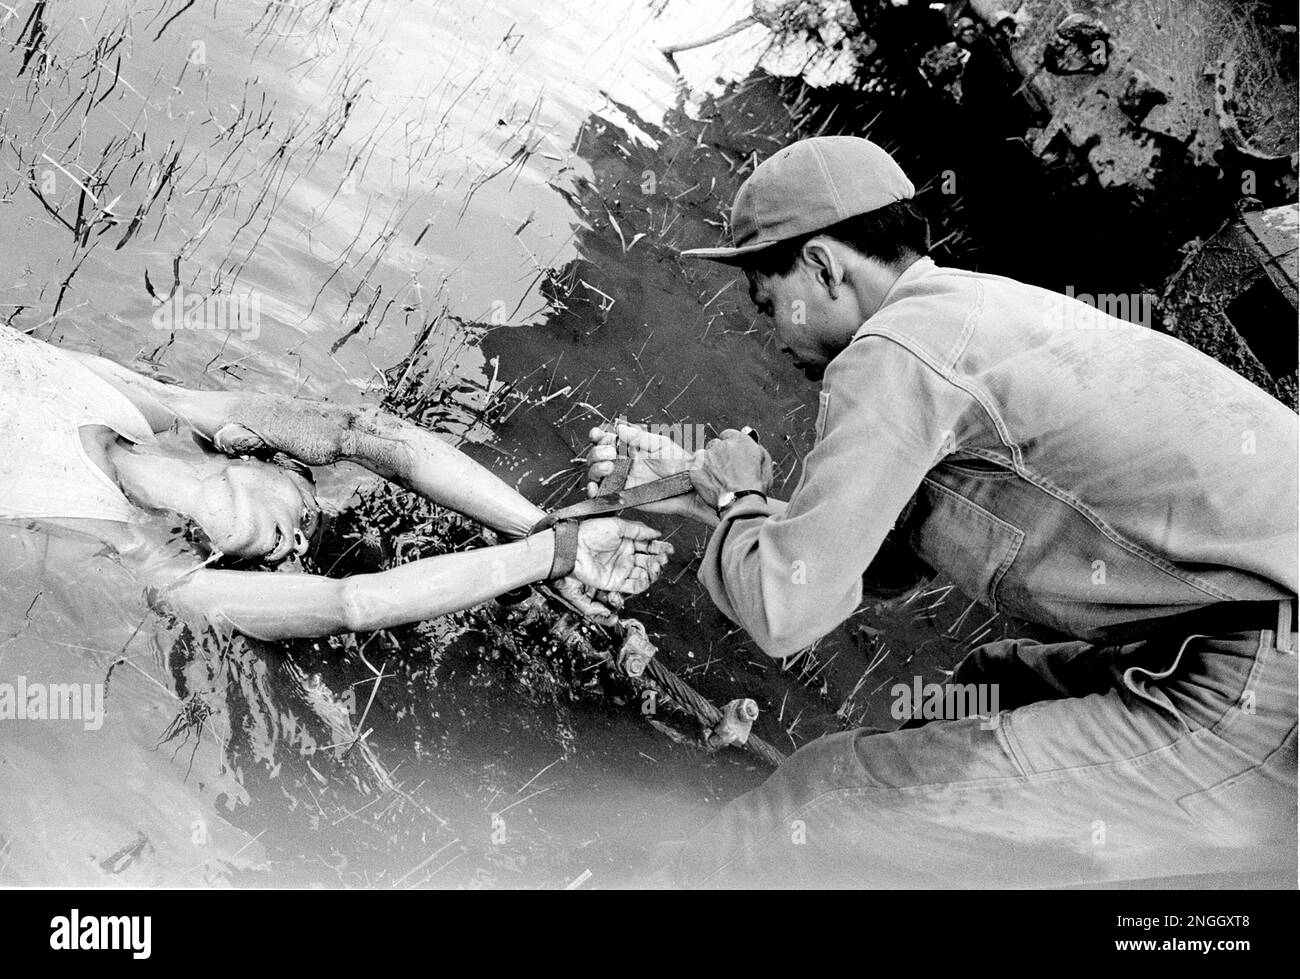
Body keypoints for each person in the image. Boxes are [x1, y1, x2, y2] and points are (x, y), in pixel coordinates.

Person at [585, 136, 1298, 887]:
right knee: (984, 681)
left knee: (824, 797)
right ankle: (903, 846)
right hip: (1233, 631)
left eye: (771, 305)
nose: (774, 333)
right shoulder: (966, 311)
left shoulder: (897, 350)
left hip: (1262, 686)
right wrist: (701, 488)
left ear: (824, 267)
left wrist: (737, 499)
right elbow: (868, 561)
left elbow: (784, 609)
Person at [0, 324, 670, 642]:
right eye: (307, 511)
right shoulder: (142, 400)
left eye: (292, 548)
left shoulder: (121, 548)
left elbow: (348, 600)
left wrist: (549, 542)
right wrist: (551, 542)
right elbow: (364, 434)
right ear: (246, 448)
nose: (295, 541)